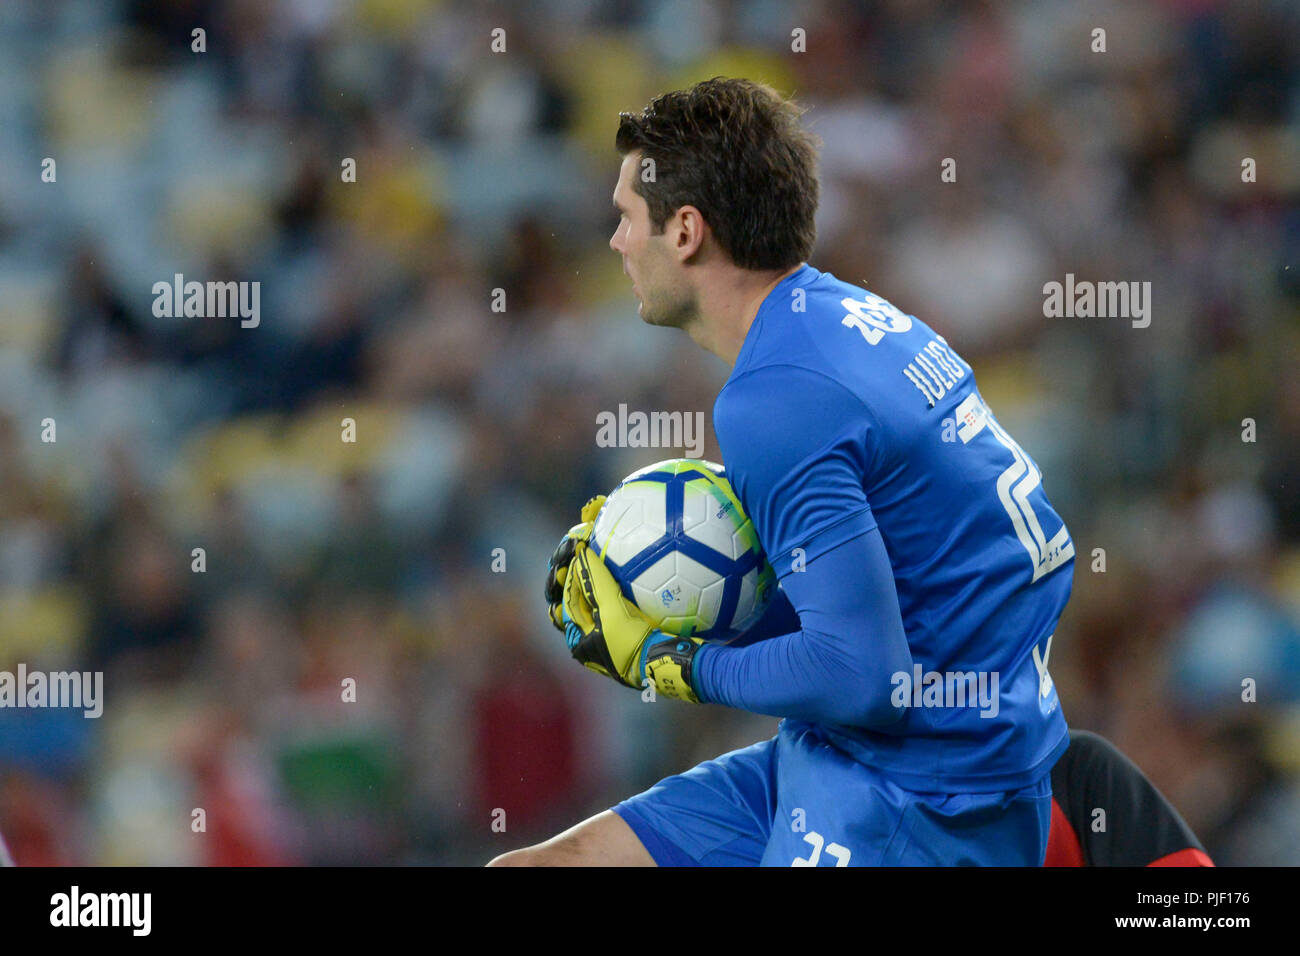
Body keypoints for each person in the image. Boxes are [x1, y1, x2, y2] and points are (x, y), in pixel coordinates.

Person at [491, 77, 1074, 867]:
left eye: (626, 218)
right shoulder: (848, 319)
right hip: (867, 750)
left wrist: (672, 664)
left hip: (924, 801)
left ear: (687, 231)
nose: (616, 243)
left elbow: (861, 673)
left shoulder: (774, 403)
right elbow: (898, 595)